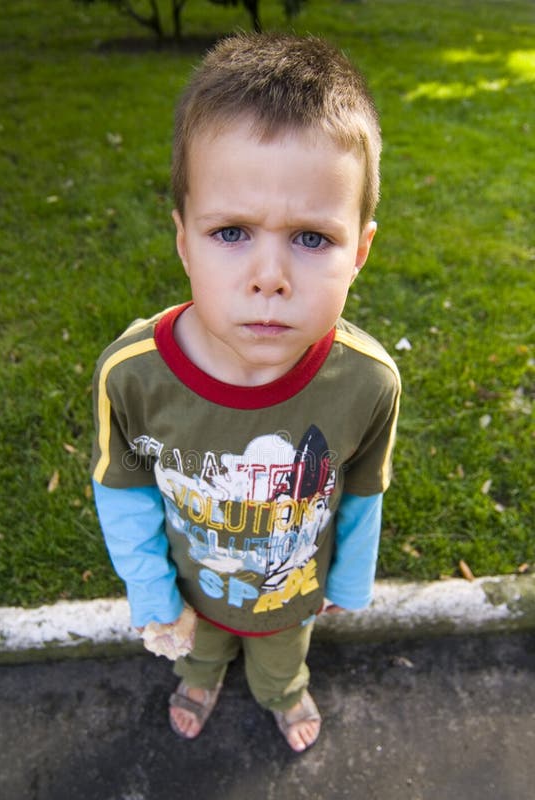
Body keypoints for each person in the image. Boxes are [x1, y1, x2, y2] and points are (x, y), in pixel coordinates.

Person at [91, 33, 401, 752]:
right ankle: (200, 679)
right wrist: (153, 595)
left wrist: (348, 583)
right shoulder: (133, 375)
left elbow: (364, 487)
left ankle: (283, 693)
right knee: (195, 650)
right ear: (183, 240)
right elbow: (122, 488)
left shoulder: (367, 381)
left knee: (281, 658)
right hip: (190, 587)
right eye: (231, 232)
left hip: (289, 593)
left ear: (359, 250)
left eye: (312, 238)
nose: (269, 277)